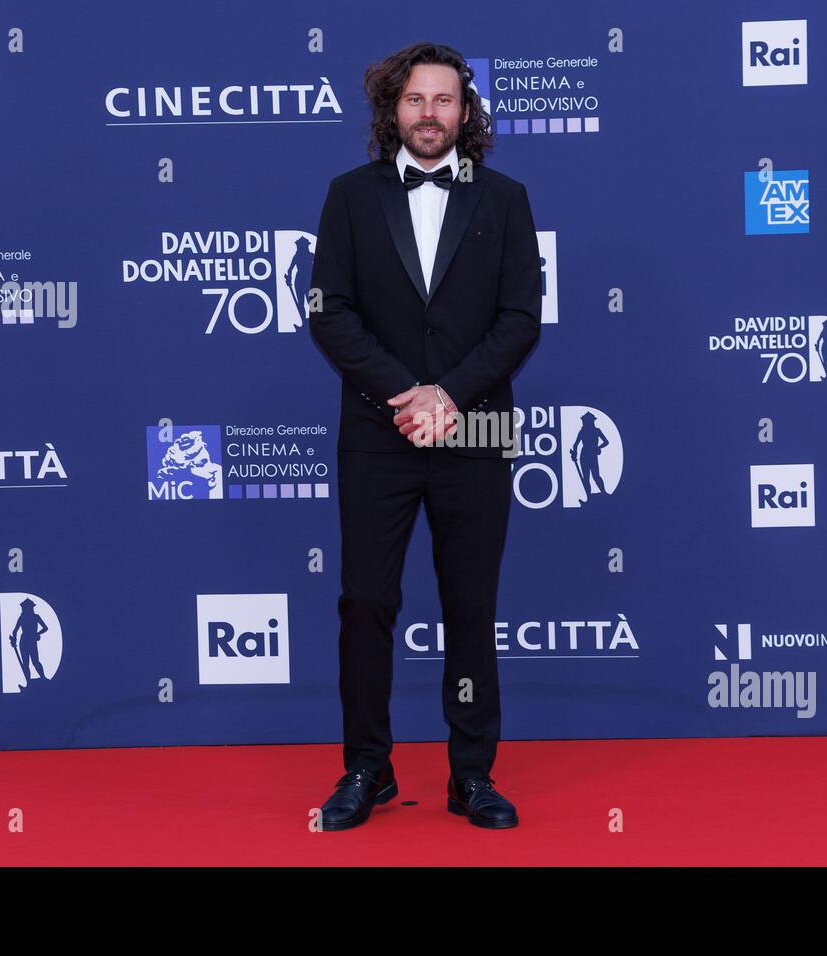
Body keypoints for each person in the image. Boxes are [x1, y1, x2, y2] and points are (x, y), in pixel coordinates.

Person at [308, 40, 542, 830]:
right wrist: (403, 393)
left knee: (470, 605)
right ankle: (366, 768)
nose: (430, 114)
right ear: (392, 109)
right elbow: (329, 310)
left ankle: (471, 774)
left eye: (446, 101)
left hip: (472, 428)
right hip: (378, 432)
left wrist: (448, 395)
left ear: (466, 113)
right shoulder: (347, 195)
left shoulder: (505, 199)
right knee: (366, 601)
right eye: (416, 100)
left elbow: (520, 319)